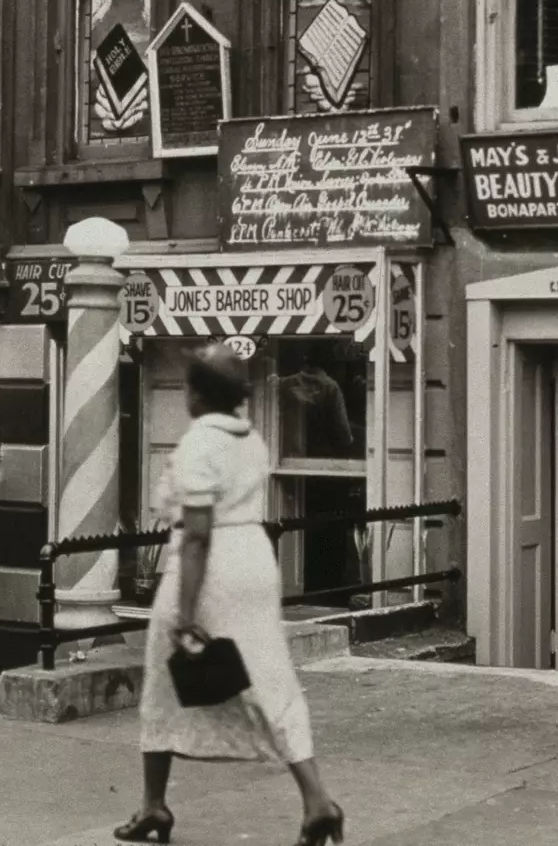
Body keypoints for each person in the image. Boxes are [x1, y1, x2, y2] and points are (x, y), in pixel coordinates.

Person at [119, 342, 345, 846]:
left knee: (162, 676)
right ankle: (317, 800)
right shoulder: (251, 438)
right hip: (254, 559)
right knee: (270, 678)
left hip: (210, 564)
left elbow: (197, 533)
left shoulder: (200, 442)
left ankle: (154, 805)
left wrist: (183, 612)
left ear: (198, 393)